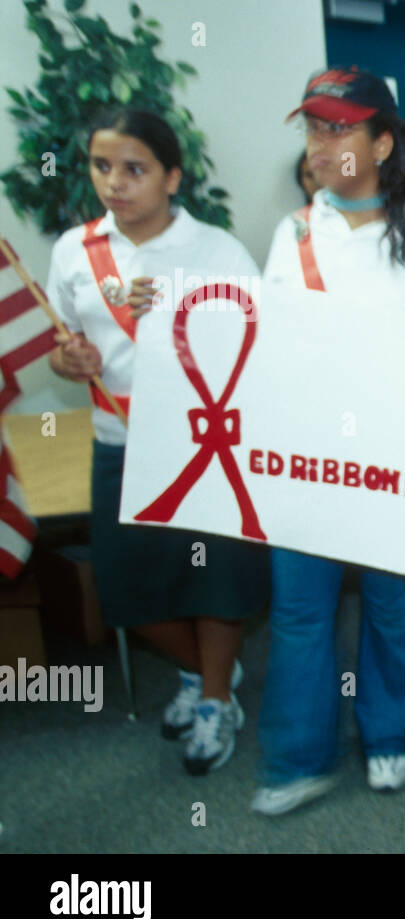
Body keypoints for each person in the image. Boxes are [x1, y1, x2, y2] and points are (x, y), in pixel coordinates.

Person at [252, 67, 405, 815]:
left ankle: (392, 736)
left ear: (382, 142)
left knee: (391, 603)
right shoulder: (291, 236)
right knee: (299, 609)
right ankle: (297, 757)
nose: (321, 143)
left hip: (393, 458)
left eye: (339, 128)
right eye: (314, 128)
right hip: (306, 458)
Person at [46, 108, 269, 775]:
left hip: (205, 447)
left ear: (172, 177)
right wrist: (70, 361)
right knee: (126, 590)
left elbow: (255, 348)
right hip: (119, 440)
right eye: (101, 166)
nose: (115, 183)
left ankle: (210, 698)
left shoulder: (219, 251)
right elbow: (64, 346)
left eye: (135, 169)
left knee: (215, 583)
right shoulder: (73, 251)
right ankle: (209, 677)